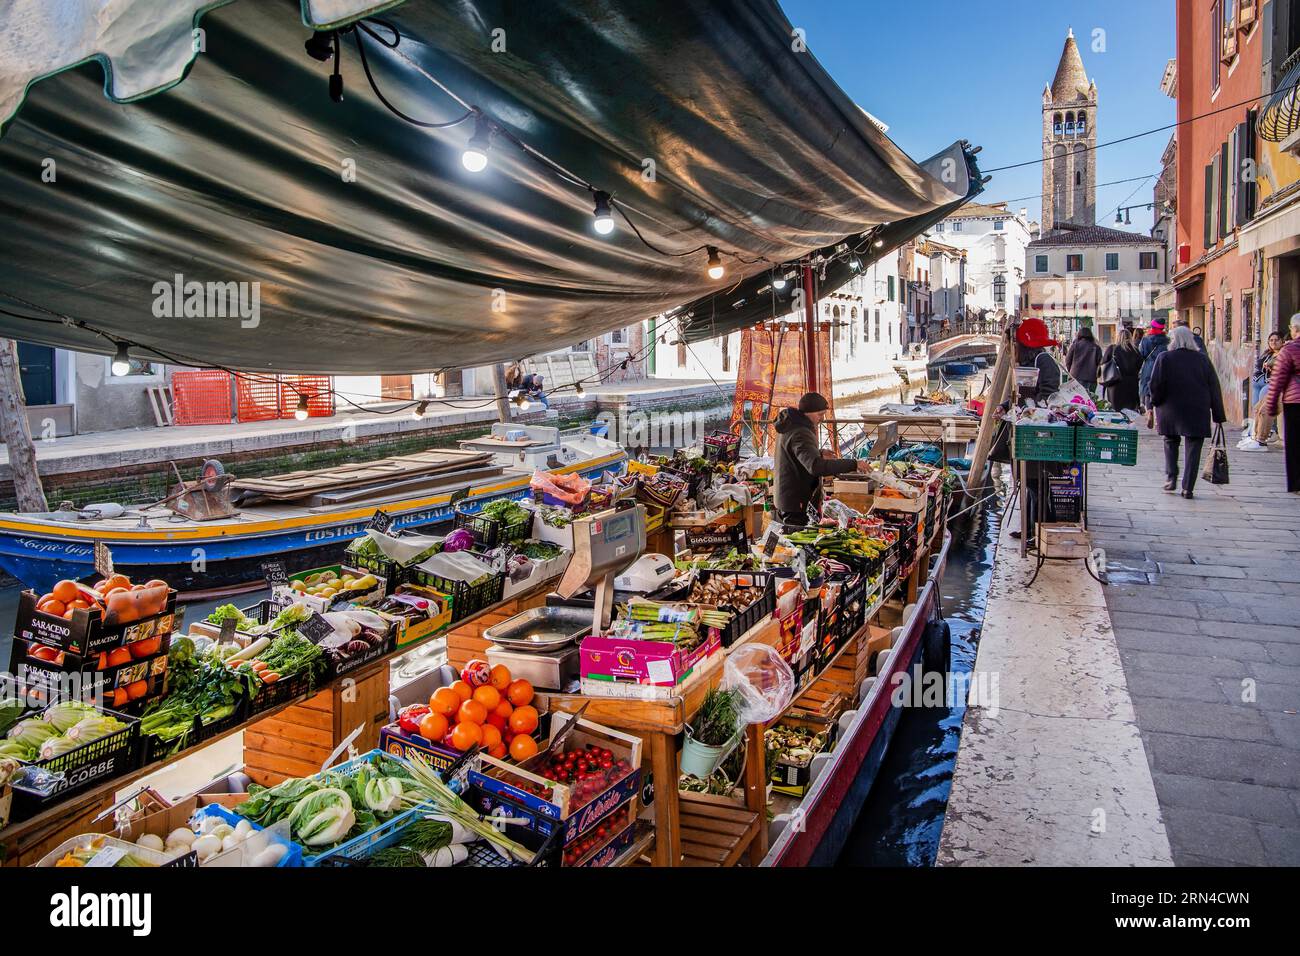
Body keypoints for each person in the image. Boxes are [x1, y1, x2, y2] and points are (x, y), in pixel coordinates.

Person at [1149, 326, 1226, 499]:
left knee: (1170, 441)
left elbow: (1155, 385)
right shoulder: (1202, 360)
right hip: (1196, 409)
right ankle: (1188, 487)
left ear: (1173, 341)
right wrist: (1218, 415)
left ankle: (1171, 477)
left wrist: (1154, 403)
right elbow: (1214, 387)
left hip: (1170, 409)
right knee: (1194, 447)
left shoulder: (1164, 358)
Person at [773, 392, 867, 526]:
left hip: (789, 496)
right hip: (795, 500)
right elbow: (815, 467)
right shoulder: (801, 431)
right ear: (808, 412)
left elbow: (796, 453)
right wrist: (854, 464)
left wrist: (818, 452)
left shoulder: (791, 425)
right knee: (797, 540)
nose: (822, 418)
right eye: (820, 414)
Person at [1263, 314, 1300, 494]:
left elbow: (1277, 380)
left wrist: (1271, 405)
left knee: (1294, 443)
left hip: (1295, 402)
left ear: (1294, 329)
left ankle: (1296, 483)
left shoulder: (1289, 349)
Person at [1101, 328, 1142, 412]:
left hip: (1115, 384)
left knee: (1116, 410)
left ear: (1118, 337)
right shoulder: (1136, 350)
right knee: (1130, 411)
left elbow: (1103, 365)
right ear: (1130, 337)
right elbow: (1139, 366)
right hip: (1131, 384)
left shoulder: (1112, 349)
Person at [1138, 317, 1170, 421]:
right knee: (1162, 389)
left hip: (1149, 367)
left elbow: (1141, 355)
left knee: (1148, 390)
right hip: (1163, 367)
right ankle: (1160, 416)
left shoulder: (1145, 340)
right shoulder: (1167, 340)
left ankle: (1150, 410)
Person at [1064, 326, 1102, 393]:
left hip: (1075, 376)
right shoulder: (1096, 347)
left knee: (1076, 399)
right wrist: (1097, 374)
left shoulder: (1074, 346)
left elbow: (1067, 360)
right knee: (1090, 400)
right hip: (1091, 378)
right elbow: (1100, 363)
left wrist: (1071, 371)